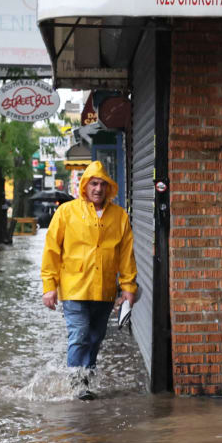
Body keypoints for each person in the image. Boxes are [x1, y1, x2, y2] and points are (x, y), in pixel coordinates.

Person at [40, 162, 137, 400]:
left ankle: (86, 379)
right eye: (94, 183)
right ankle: (76, 385)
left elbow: (126, 255)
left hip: (103, 289)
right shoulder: (66, 212)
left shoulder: (119, 216)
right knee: (80, 334)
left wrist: (128, 287)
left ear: (109, 188)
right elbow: (52, 250)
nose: (98, 189)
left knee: (95, 338)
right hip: (74, 286)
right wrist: (49, 287)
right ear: (85, 186)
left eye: (103, 184)